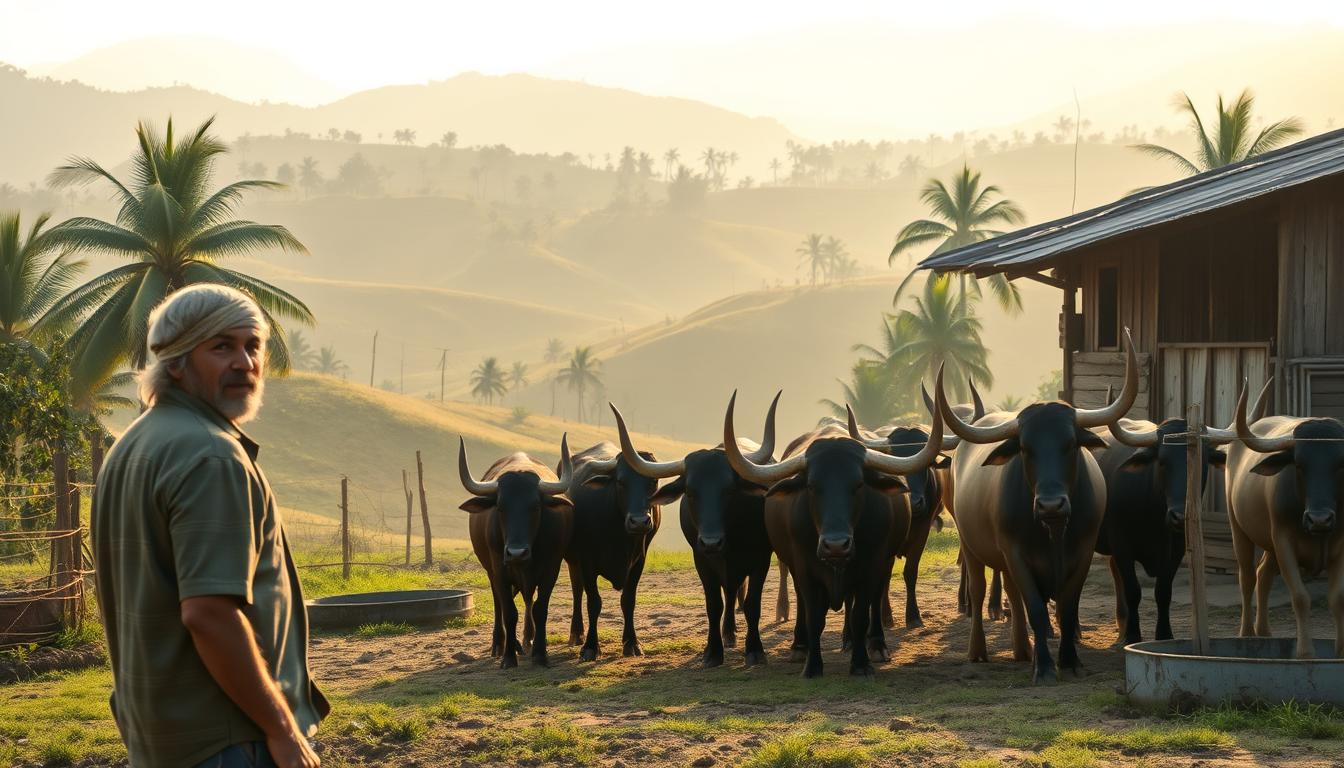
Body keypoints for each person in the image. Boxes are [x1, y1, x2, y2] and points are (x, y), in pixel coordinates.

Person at [92, 284, 327, 768]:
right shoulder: (211, 455)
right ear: (176, 361)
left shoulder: (133, 446)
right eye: (221, 346)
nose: (245, 362)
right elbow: (209, 613)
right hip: (229, 740)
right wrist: (281, 729)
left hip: (163, 740)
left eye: (252, 345)